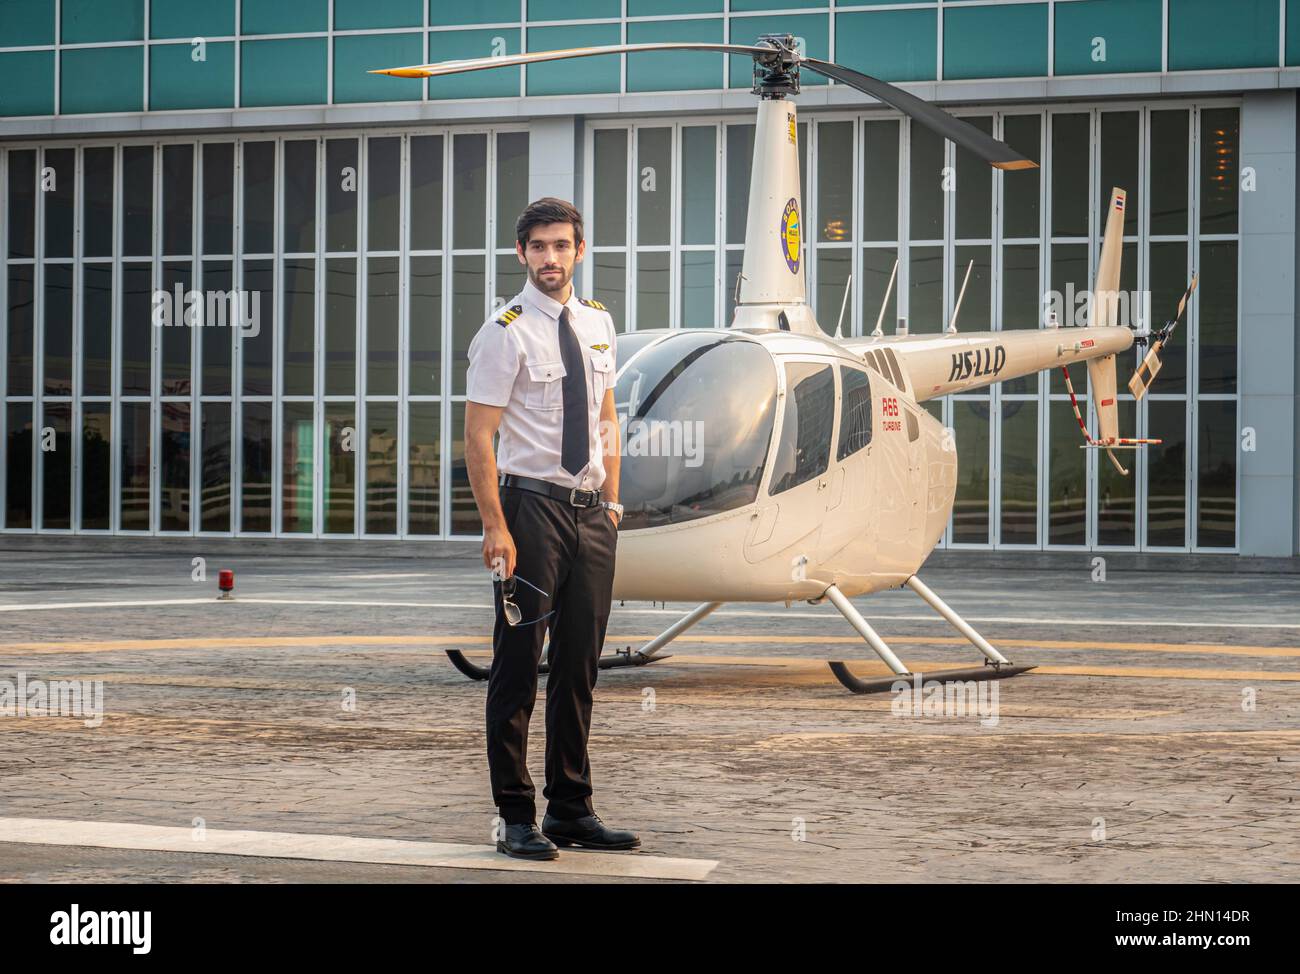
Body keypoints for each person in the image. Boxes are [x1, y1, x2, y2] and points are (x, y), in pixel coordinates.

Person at [463, 196, 639, 861]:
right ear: (521, 254)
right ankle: (515, 816)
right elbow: (479, 440)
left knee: (578, 668)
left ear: (580, 251)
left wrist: (614, 503)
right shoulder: (504, 332)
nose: (550, 257)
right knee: (516, 667)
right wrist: (495, 527)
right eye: (538, 247)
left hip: (591, 516)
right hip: (529, 511)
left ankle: (571, 807)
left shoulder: (598, 322)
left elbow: (607, 417)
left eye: (561, 245)